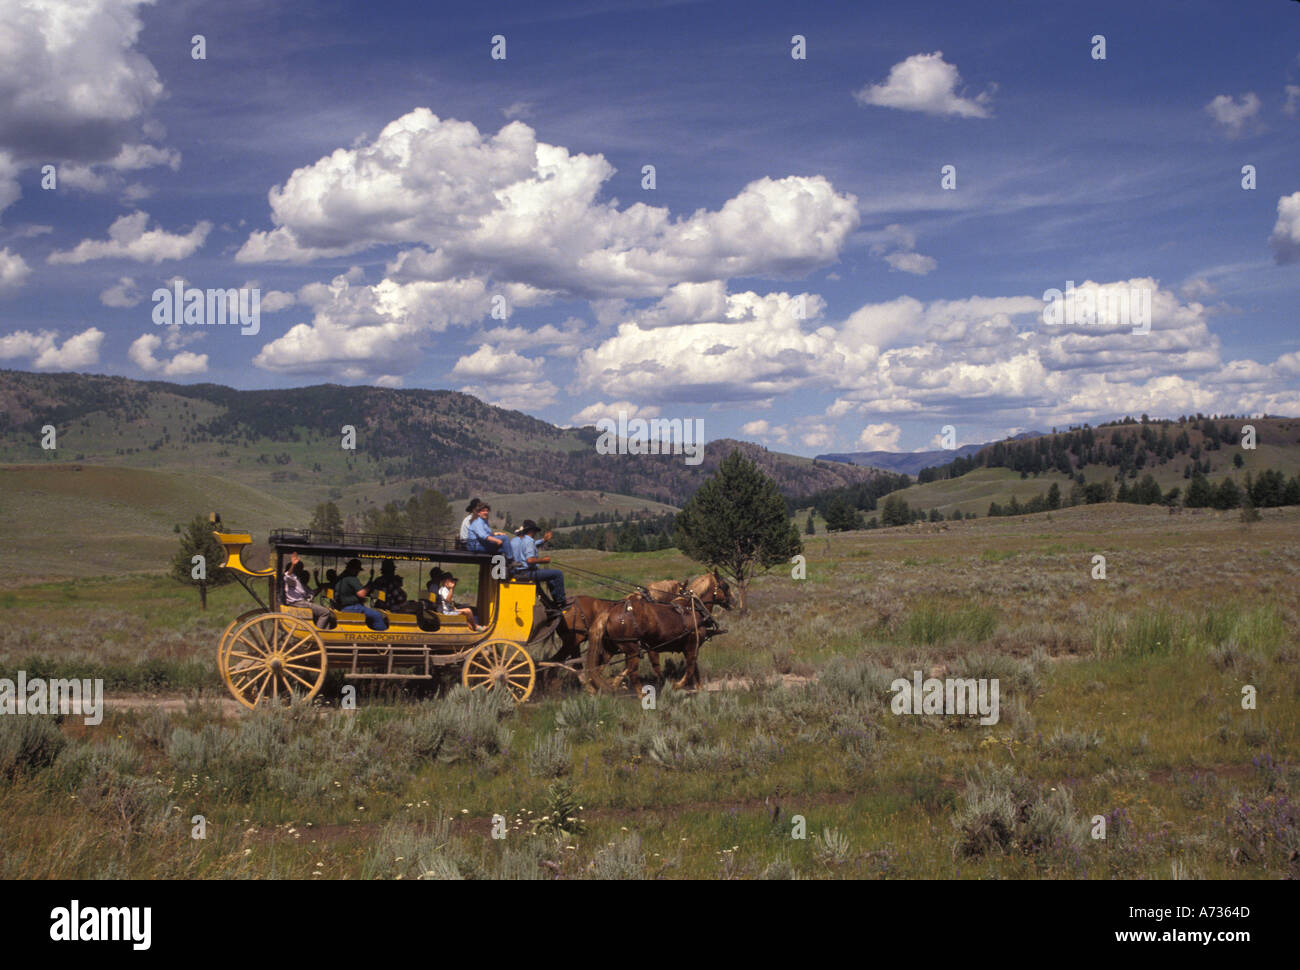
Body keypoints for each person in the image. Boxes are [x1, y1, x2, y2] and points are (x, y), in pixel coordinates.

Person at [510, 519, 569, 606]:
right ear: (532, 530)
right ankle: (561, 601)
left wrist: (543, 540)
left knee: (550, 576)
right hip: (528, 572)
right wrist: (544, 560)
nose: (535, 533)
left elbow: (532, 545)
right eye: (535, 531)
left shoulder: (520, 540)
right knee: (558, 574)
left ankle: (553, 603)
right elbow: (529, 560)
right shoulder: (529, 541)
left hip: (520, 571)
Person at [333, 557, 388, 631]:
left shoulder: (341, 578)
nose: (358, 572)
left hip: (342, 606)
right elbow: (361, 594)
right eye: (357, 570)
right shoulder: (352, 579)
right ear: (353, 569)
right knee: (377, 615)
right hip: (352, 608)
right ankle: (383, 635)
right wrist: (369, 586)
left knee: (370, 612)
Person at [284, 553, 334, 629]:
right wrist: (293, 565)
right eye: (300, 568)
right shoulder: (292, 578)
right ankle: (317, 633)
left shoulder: (298, 580)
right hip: (298, 603)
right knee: (325, 613)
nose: (301, 570)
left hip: (301, 602)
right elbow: (287, 575)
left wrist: (318, 581)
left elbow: (312, 593)